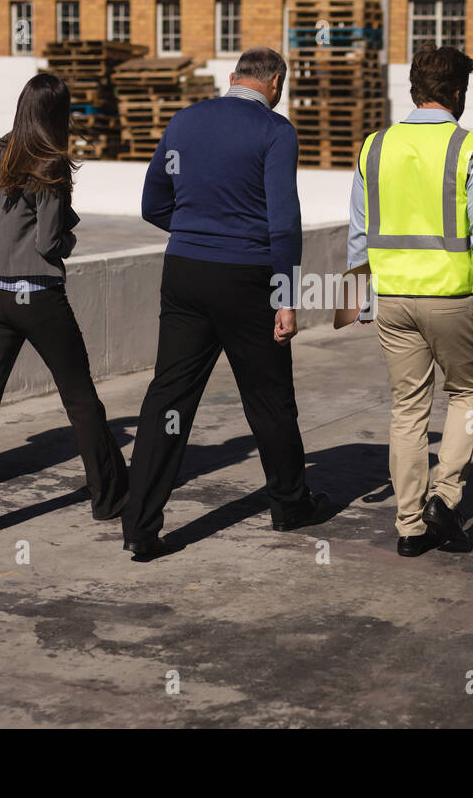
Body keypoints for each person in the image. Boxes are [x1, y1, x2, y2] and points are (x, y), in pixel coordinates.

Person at [122, 46, 328, 561]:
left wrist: (196, 232)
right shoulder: (275, 132)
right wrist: (285, 295)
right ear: (276, 83)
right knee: (268, 396)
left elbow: (153, 203)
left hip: (185, 272)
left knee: (169, 397)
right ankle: (289, 504)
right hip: (247, 279)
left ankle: (140, 524)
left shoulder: (185, 121)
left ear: (233, 77)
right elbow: (283, 223)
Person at [0, 73, 128, 546]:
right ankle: (109, 498)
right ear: (58, 115)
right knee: (79, 397)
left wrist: (3, 240)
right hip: (37, 295)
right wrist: (69, 236)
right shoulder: (50, 163)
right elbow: (50, 241)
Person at [347, 42, 473, 557]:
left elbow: (358, 232)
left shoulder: (374, 146)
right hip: (454, 297)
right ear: (457, 92)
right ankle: (447, 495)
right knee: (468, 394)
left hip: (392, 297)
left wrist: (358, 298)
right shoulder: (469, 147)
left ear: (414, 90)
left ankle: (410, 526)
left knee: (407, 410)